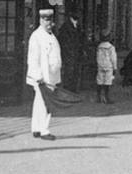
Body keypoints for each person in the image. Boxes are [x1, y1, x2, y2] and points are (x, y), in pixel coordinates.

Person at [26, 8, 62, 140]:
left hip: (51, 75)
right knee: (46, 103)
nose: (48, 23)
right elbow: (33, 59)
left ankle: (36, 128)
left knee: (39, 102)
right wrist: (38, 76)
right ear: (40, 20)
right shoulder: (37, 36)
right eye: (45, 20)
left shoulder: (50, 35)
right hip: (43, 76)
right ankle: (44, 130)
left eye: (50, 20)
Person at [58, 10, 87, 91]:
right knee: (69, 72)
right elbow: (63, 41)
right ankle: (68, 89)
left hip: (76, 53)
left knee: (75, 71)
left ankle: (73, 89)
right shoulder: (66, 27)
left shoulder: (77, 26)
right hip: (69, 53)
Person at [95, 32, 117, 103]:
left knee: (100, 80)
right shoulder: (111, 47)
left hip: (100, 66)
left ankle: (99, 97)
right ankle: (107, 97)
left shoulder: (99, 47)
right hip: (108, 66)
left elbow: (97, 57)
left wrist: (98, 64)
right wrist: (115, 67)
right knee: (107, 81)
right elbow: (113, 58)